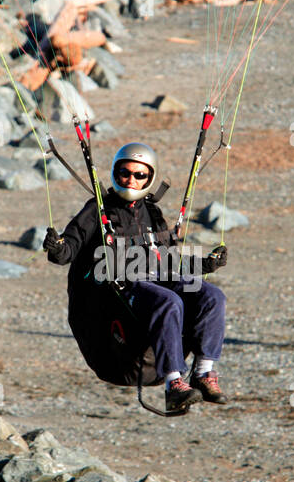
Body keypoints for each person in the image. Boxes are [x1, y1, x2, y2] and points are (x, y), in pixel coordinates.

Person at [44, 141, 228, 412]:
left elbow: (169, 259)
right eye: (124, 173)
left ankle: (203, 373)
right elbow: (68, 250)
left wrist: (205, 265)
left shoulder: (152, 212)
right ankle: (174, 383)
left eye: (139, 175)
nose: (131, 180)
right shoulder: (98, 209)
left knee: (212, 296)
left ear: (150, 177)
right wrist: (58, 247)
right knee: (169, 302)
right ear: (115, 174)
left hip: (155, 278)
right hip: (119, 288)